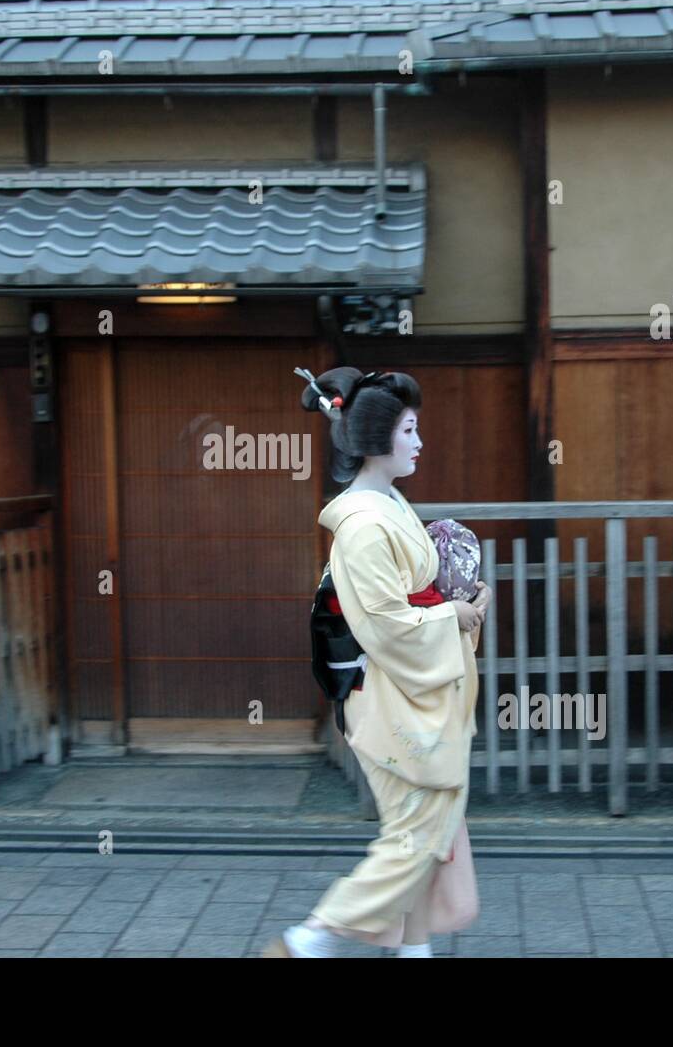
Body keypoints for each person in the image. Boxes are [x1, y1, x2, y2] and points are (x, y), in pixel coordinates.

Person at [264, 367, 492, 959]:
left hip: (408, 691)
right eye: (410, 430)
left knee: (428, 832)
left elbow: (409, 605)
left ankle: (411, 951)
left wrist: (458, 603)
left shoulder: (387, 503)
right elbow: (388, 625)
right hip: (387, 695)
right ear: (376, 441)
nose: (419, 442)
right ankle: (314, 936)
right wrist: (455, 618)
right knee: (415, 837)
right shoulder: (364, 524)